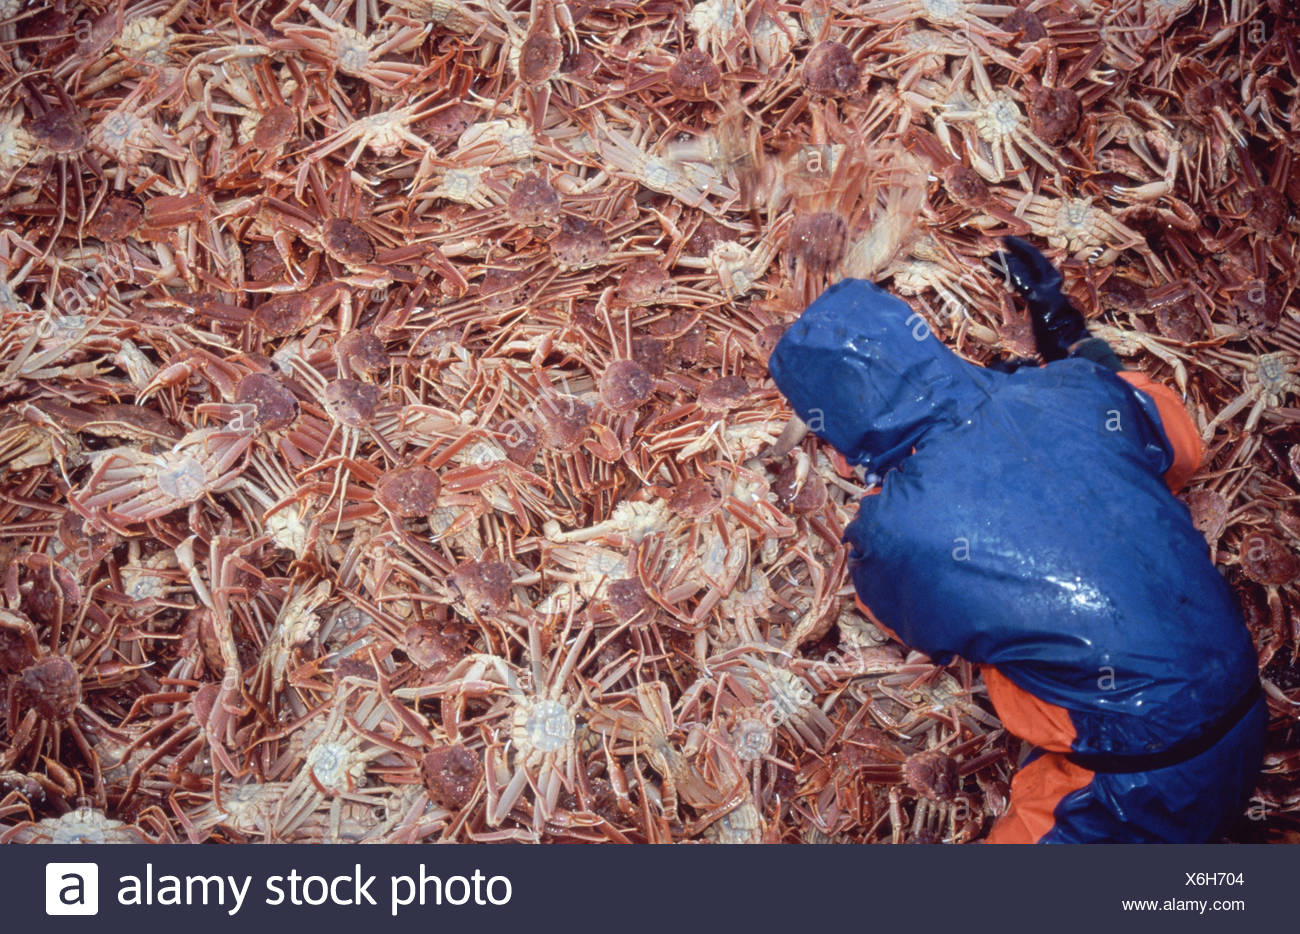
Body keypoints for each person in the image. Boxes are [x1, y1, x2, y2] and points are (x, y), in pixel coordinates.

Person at [766, 237, 1266, 843]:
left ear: (840, 442)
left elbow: (911, 622)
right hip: (1247, 706)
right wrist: (1066, 347)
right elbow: (1183, 445)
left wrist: (883, 494)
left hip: (1131, 788)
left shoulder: (895, 534)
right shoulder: (1081, 389)